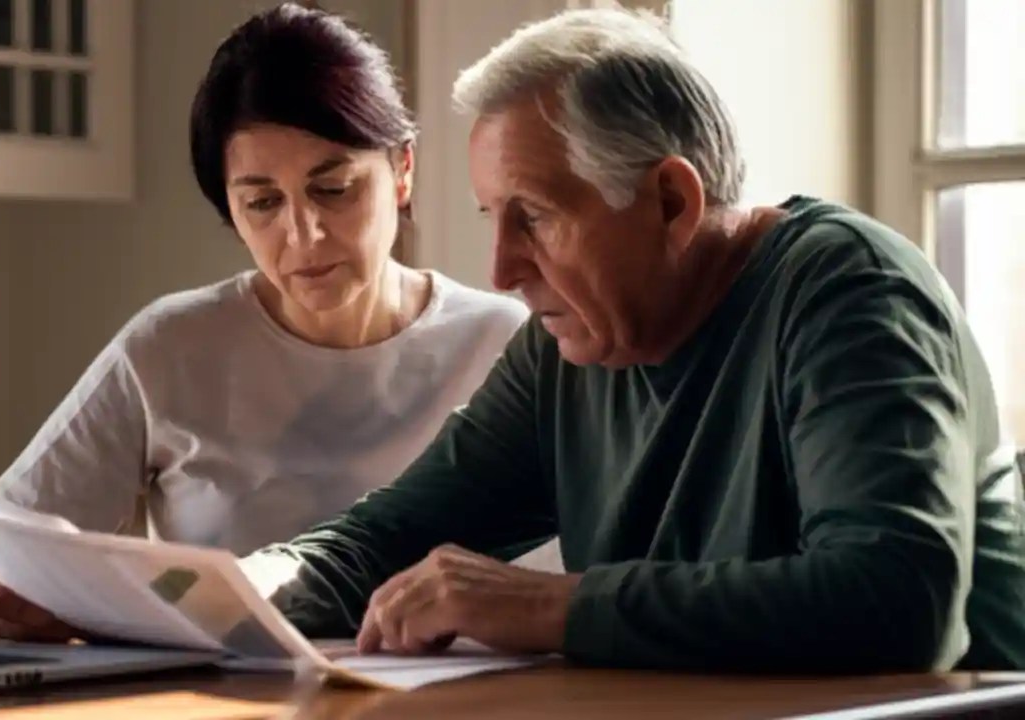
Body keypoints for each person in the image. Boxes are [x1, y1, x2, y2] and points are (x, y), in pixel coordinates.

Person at [243, 7, 1025, 672]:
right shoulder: (572, 343)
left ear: (672, 203)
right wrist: (234, 591)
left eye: (536, 218)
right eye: (495, 219)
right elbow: (390, 535)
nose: (503, 268)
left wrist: (555, 608)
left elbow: (896, 601)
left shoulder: (853, 294)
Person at [0, 3, 530, 642]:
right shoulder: (173, 346)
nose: (303, 234)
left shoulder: (511, 343)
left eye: (334, 189)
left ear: (402, 170)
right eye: (262, 203)